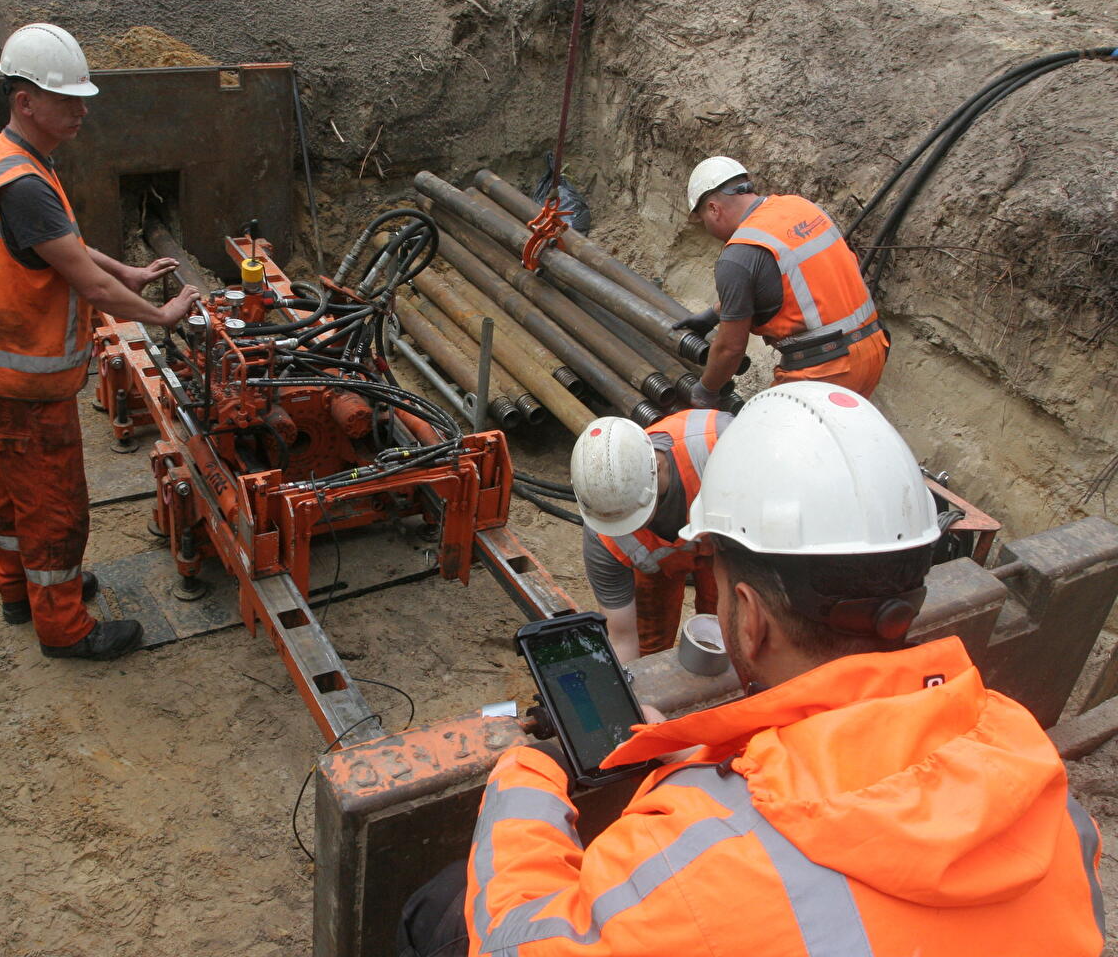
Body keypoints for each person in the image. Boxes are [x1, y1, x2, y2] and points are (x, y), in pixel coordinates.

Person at [400, 382, 1105, 956]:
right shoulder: (1037, 776)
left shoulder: (689, 873)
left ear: (748, 613)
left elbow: (521, 941)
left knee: (435, 911)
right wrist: (699, 750)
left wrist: (529, 769)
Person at [0, 23, 199, 660]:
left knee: (13, 490)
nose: (81, 110)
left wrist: (129, 270)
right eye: (66, 100)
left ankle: (18, 589)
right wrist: (163, 314)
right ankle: (64, 626)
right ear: (25, 101)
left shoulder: (13, 160)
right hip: (25, 384)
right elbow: (86, 282)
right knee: (55, 507)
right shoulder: (25, 181)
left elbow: (64, 247)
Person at [676, 157, 889, 408]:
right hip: (874, 349)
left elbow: (730, 350)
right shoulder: (799, 207)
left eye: (703, 219)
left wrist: (707, 389)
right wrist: (713, 314)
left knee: (768, 440)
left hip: (826, 370)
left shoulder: (738, 254)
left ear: (713, 209)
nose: (708, 229)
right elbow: (793, 284)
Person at [570, 410, 731, 663]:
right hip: (659, 569)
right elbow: (622, 638)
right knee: (649, 646)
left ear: (657, 467)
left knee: (730, 627)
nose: (628, 531)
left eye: (634, 517)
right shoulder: (604, 540)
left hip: (732, 549)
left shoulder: (722, 445)